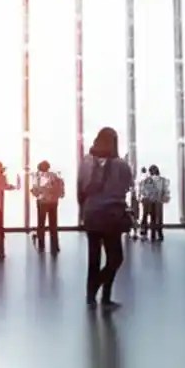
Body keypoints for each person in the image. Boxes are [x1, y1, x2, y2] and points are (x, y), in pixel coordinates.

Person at [79, 127, 133, 310]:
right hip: (111, 216)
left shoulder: (85, 162)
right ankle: (105, 295)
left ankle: (90, 296)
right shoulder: (121, 165)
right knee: (115, 258)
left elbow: (80, 189)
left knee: (93, 258)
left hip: (91, 214)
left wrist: (82, 212)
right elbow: (127, 187)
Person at [31, 160, 65, 254]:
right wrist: (59, 195)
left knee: (41, 223)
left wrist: (36, 193)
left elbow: (35, 190)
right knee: (53, 224)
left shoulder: (38, 177)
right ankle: (55, 245)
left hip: (42, 202)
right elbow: (60, 188)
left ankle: (41, 244)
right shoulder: (55, 176)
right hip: (54, 202)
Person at [138, 164, 171, 242]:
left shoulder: (147, 180)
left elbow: (143, 191)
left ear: (150, 172)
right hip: (158, 201)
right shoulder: (163, 180)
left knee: (148, 216)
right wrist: (164, 199)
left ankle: (148, 233)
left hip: (148, 201)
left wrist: (142, 198)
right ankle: (159, 234)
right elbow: (166, 191)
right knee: (159, 218)